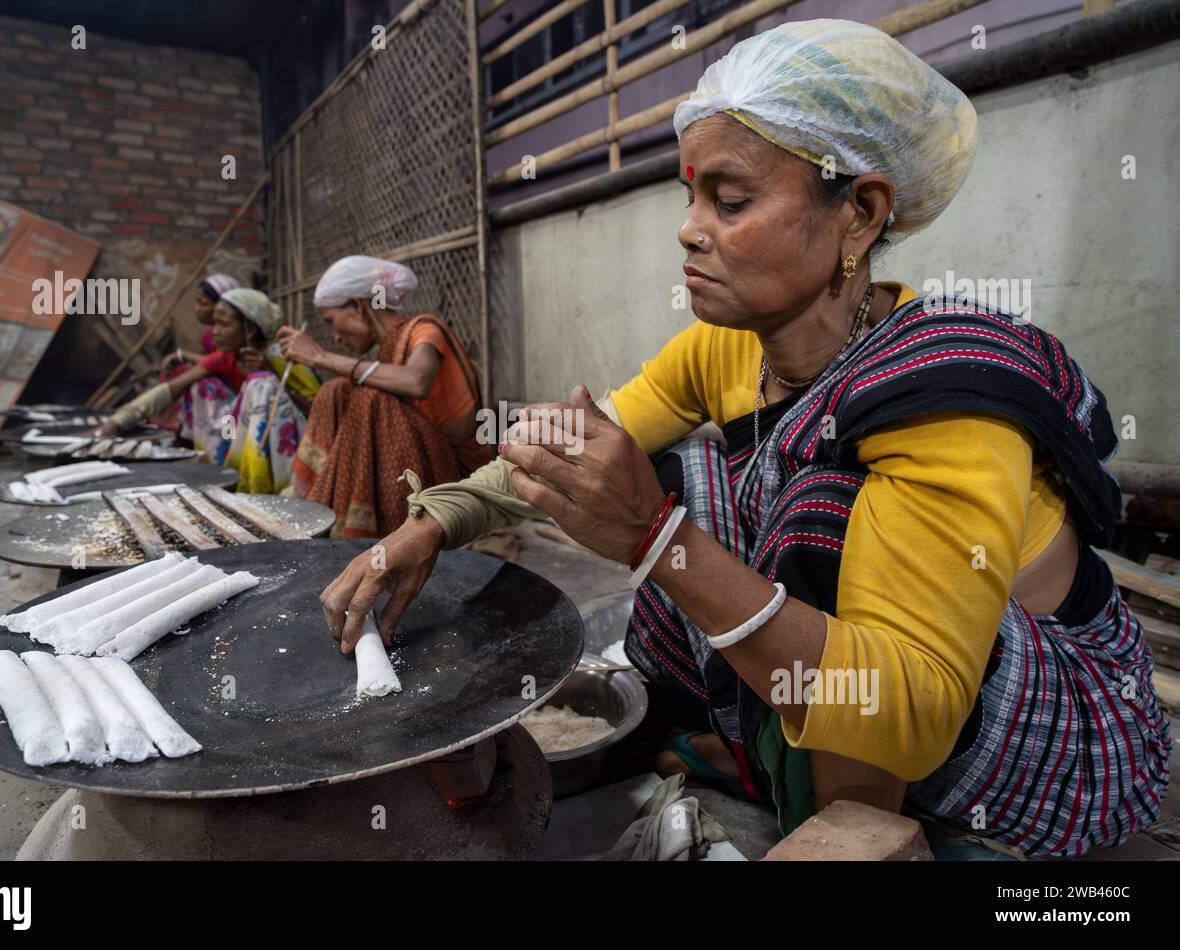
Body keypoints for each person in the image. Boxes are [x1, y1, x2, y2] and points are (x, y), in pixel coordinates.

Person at [316, 20, 1171, 857]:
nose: (690, 228)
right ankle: (777, 763)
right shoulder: (733, 344)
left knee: (805, 515)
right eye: (690, 198)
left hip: (1035, 720)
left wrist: (655, 540)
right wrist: (430, 523)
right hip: (864, 689)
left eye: (730, 201)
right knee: (674, 470)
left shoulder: (942, 401)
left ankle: (849, 829)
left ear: (861, 214)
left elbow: (910, 709)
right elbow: (577, 446)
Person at [278, 255, 485, 538]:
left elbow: (417, 381)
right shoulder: (386, 352)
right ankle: (319, 503)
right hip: (412, 463)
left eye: (331, 321)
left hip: (453, 474)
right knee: (337, 391)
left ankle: (354, 523)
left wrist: (321, 357)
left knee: (368, 400)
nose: (335, 336)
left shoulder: (425, 330)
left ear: (360, 307)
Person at [101, 287, 319, 493]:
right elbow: (174, 387)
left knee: (262, 385)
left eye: (223, 325)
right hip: (236, 436)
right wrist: (116, 422)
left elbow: (317, 414)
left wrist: (273, 375)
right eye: (214, 324)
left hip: (290, 449)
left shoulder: (283, 358)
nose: (215, 333)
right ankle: (225, 462)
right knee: (202, 387)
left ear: (250, 329)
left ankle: (260, 482)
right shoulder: (228, 356)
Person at [150, 273, 240, 432]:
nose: (196, 308)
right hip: (228, 396)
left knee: (202, 385)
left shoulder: (232, 341)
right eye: (197, 302)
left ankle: (223, 435)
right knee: (181, 374)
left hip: (235, 401)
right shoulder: (212, 334)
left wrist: (183, 355)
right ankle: (178, 426)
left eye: (203, 303)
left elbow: (216, 362)